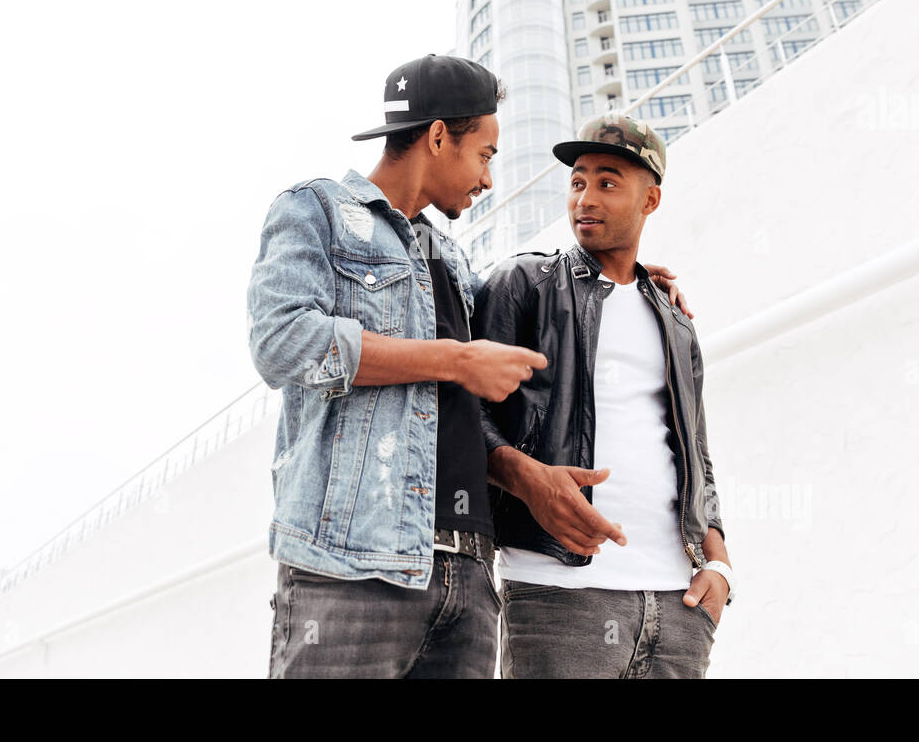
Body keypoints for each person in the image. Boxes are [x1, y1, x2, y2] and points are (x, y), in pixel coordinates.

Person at [247, 53, 545, 678]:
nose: (488, 179)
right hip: (353, 570)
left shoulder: (452, 259)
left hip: (467, 575)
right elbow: (282, 341)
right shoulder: (317, 210)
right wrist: (456, 360)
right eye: (485, 154)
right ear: (439, 137)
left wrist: (615, 276)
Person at [475, 112, 736, 679]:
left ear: (651, 200)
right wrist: (528, 481)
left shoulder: (675, 320)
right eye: (577, 181)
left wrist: (718, 565)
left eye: (608, 182)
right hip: (559, 594)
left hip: (680, 604)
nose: (584, 198)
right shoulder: (522, 286)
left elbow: (698, 454)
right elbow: (462, 417)